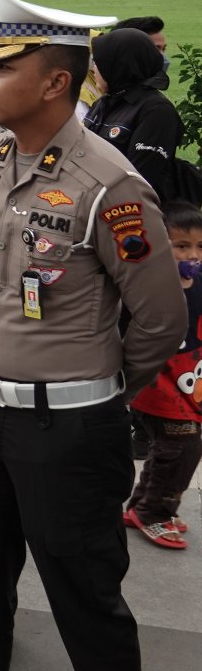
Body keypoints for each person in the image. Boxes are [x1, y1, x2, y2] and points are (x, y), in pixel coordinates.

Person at [0, 0, 186, 671]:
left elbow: (162, 319)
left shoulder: (111, 186)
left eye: (3, 66)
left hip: (68, 431)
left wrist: (98, 387)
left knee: (85, 600)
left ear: (55, 82)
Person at [124, 201, 202, 550]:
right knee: (183, 448)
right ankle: (155, 513)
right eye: (182, 246)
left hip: (190, 379)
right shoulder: (151, 283)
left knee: (170, 447)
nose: (194, 254)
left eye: (201, 246)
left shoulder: (197, 280)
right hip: (158, 383)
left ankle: (142, 504)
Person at [84, 27, 184, 203]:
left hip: (132, 216)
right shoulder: (104, 102)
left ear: (119, 65)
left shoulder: (156, 111)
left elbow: (138, 178)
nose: (94, 69)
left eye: (98, 62)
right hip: (95, 207)